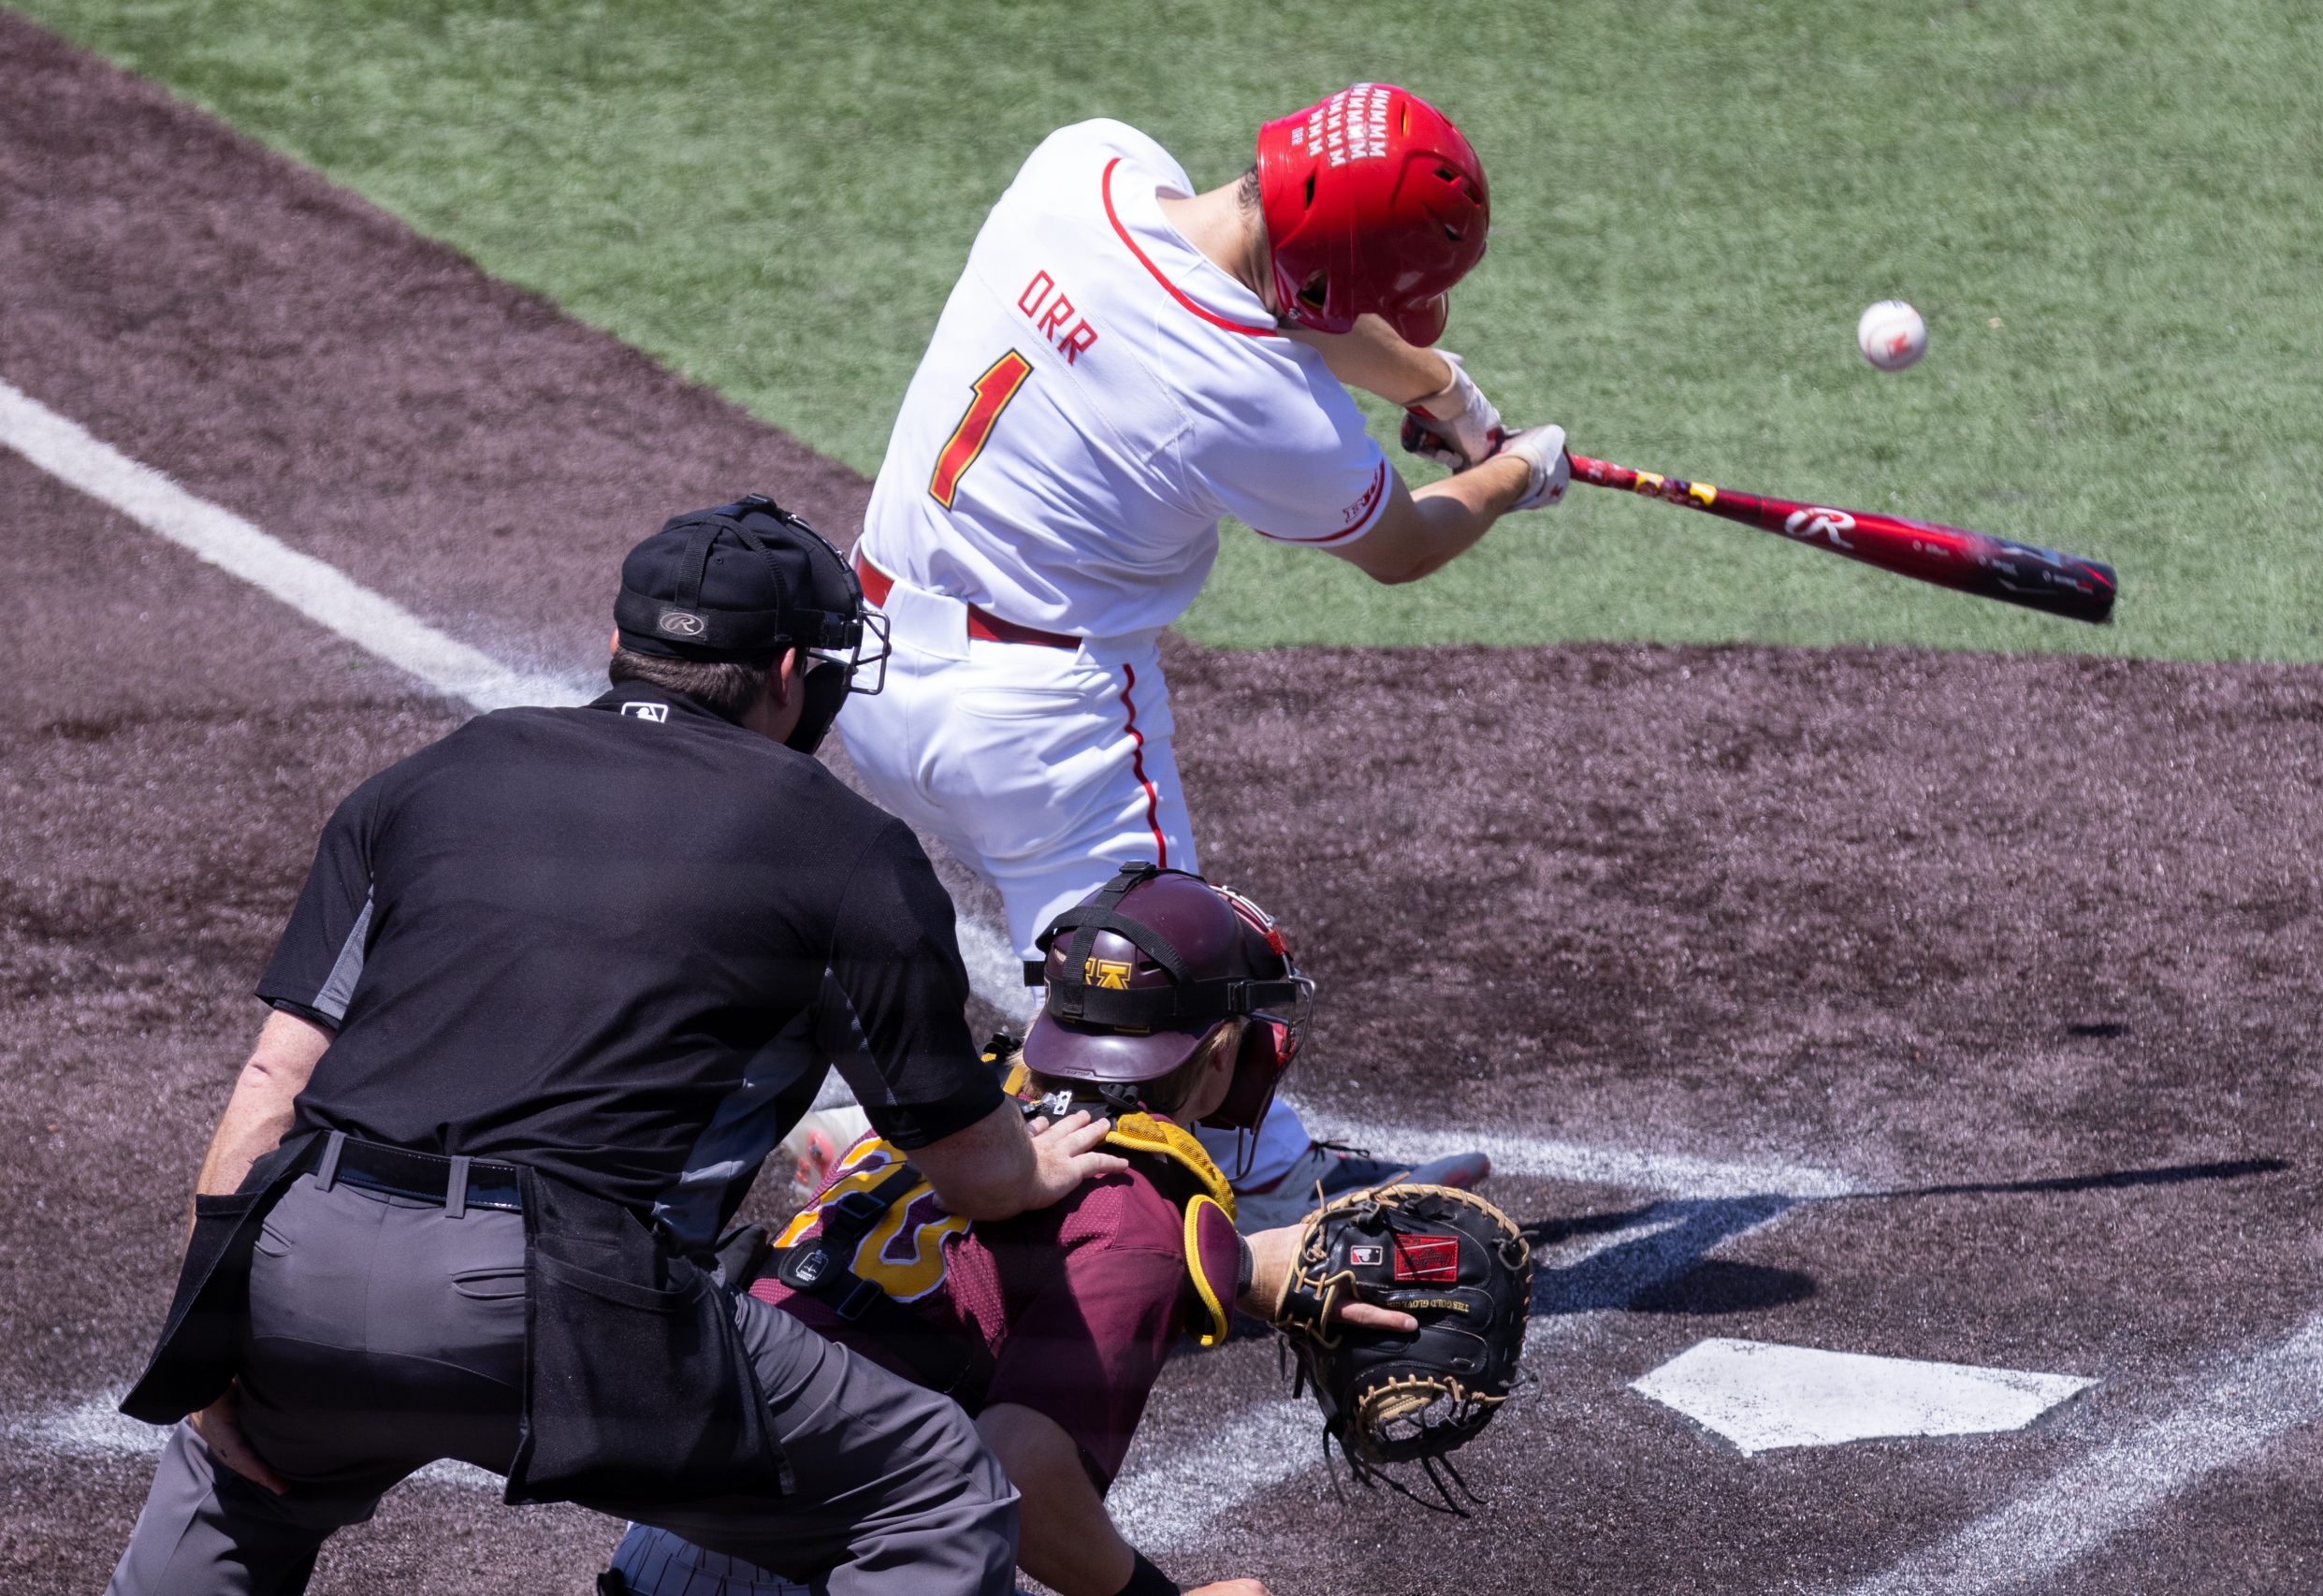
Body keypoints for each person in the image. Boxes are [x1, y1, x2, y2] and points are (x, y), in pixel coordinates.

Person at [105, 495, 1131, 1595]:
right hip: (562, 1300)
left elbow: (276, 1076)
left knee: (233, 1473)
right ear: (792, 671)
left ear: (617, 645)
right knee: (935, 1487)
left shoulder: (433, 776)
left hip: (307, 1248)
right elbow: (970, 1167)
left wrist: (212, 1329)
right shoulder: (841, 842)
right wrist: (1034, 1164)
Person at [835, 83, 1568, 1224]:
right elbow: (1407, 543)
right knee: (1174, 978)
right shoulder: (1262, 408)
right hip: (1038, 736)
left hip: (863, 663)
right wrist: (1515, 472)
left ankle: (850, 1120)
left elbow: (1298, 301)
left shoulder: (1082, 167)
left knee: (924, 955)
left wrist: (1447, 393)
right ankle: (1267, 1196)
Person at [606, 863, 1419, 1596]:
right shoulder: (1135, 1212)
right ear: (1219, 1052)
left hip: (668, 1541)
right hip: (820, 1566)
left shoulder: (966, 1112)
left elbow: (995, 1265)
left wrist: (1235, 1268)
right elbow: (1023, 1478)